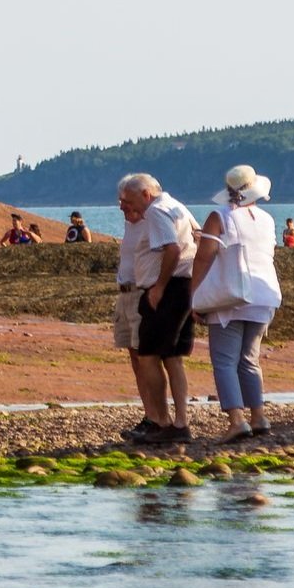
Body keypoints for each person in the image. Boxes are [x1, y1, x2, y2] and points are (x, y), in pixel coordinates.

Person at [190, 166, 282, 442]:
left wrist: (194, 295)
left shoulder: (220, 216)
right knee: (249, 360)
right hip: (264, 294)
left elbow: (204, 258)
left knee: (224, 361)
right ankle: (258, 415)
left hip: (231, 295)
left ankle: (236, 420)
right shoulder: (266, 219)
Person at [116, 173, 196, 444]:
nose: (123, 205)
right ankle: (179, 422)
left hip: (168, 288)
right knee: (172, 357)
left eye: (128, 199)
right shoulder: (177, 206)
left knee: (149, 355)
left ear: (146, 194)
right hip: (182, 286)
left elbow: (173, 249)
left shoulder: (157, 212)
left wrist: (159, 286)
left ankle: (162, 421)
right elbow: (197, 237)